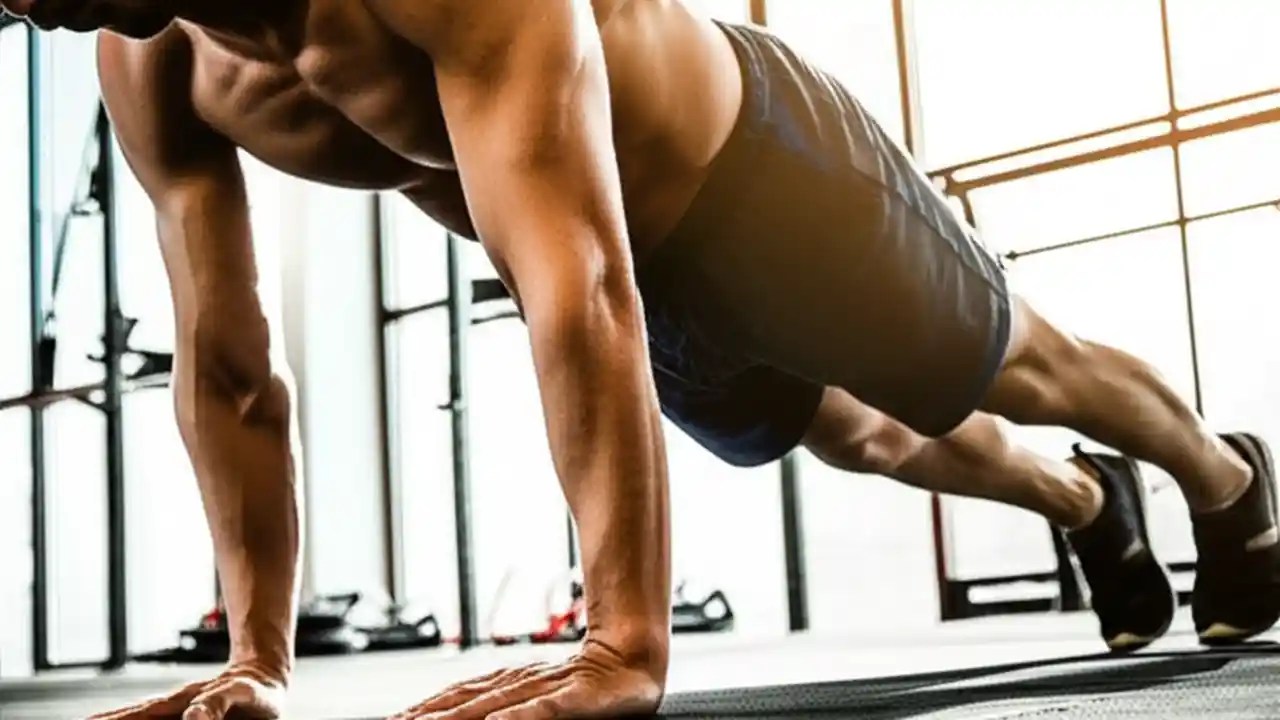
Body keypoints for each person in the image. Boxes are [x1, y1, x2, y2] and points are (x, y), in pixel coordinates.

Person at [4, 0, 1276, 718]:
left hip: (757, 173)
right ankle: (1083, 497)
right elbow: (227, 364)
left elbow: (578, 281)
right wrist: (256, 660)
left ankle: (1222, 478)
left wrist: (623, 645)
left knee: (1014, 368)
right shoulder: (150, 63)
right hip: (635, 271)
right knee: (866, 437)